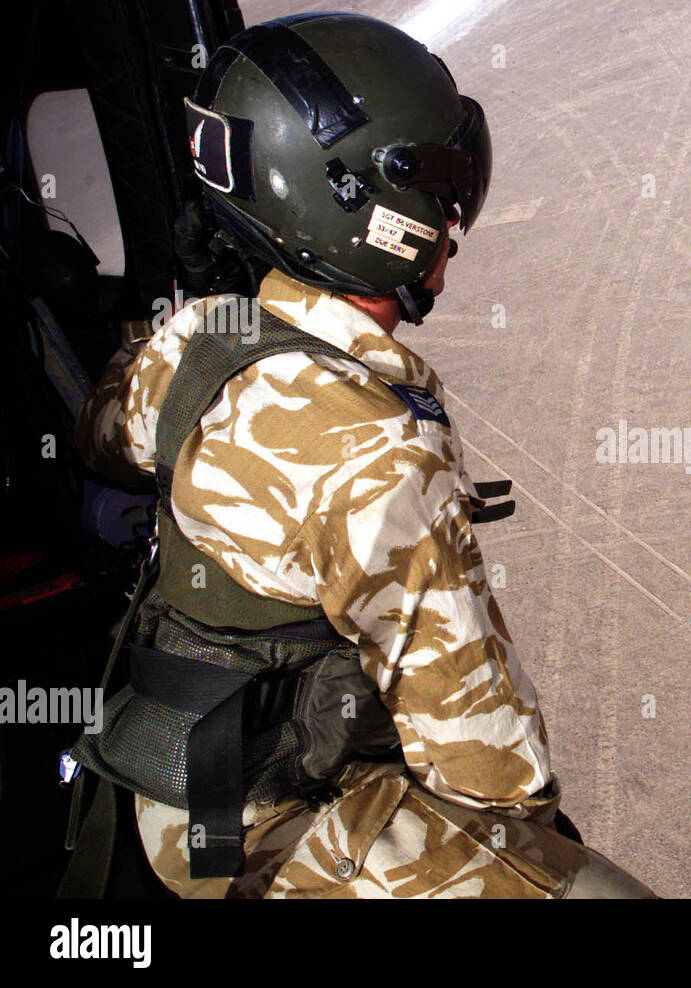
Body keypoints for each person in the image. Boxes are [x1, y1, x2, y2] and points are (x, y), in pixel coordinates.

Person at [69, 11, 653, 899]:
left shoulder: (190, 341)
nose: (452, 217)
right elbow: (485, 764)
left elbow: (103, 435)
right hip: (263, 830)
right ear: (366, 206)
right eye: (441, 185)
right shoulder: (379, 449)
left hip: (159, 789)